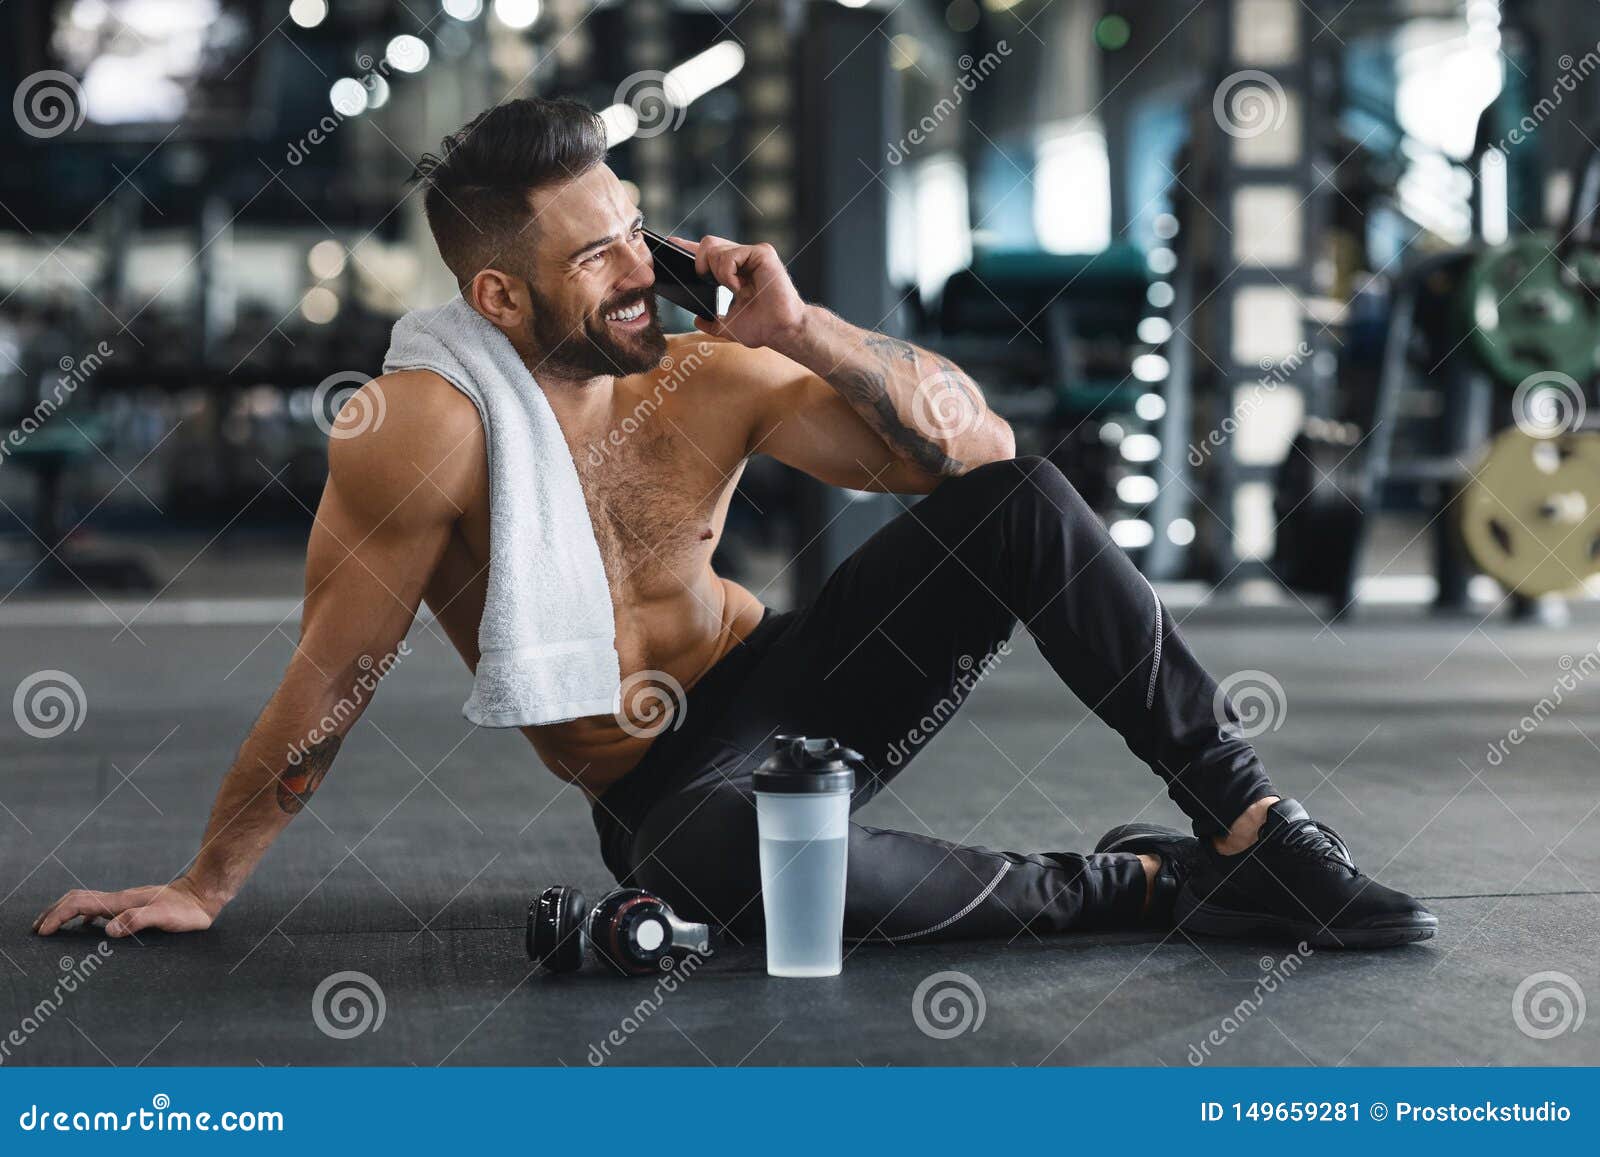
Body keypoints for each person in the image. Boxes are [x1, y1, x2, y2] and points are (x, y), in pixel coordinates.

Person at [34, 98, 1435, 950]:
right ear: (500, 298)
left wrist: (807, 329)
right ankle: (1138, 885)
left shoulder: (710, 368)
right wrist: (206, 882)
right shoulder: (423, 427)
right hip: (664, 786)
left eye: (635, 227)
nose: (641, 268)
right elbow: (334, 669)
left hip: (796, 679)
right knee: (720, 864)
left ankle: (1245, 824)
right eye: (596, 254)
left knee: (1020, 502)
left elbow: (985, 456)